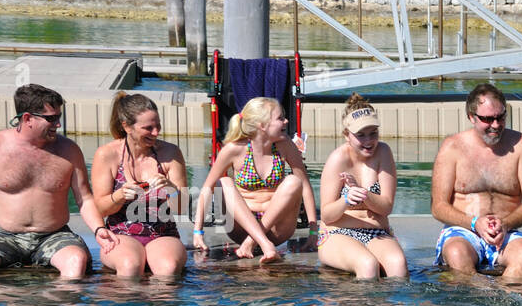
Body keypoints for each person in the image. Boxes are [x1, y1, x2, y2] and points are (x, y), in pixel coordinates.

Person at [0, 83, 115, 278]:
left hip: (54, 236)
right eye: (52, 118)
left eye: (59, 117)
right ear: (27, 118)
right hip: (3, 236)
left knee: (76, 263)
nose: (58, 124)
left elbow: (85, 198)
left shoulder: (69, 151)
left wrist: (99, 229)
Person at [432, 83, 522, 282]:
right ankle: (482, 300)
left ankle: (502, 301)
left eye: (500, 117)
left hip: (506, 230)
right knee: (457, 254)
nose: (496, 125)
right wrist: (474, 223)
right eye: (487, 119)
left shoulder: (520, 145)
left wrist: (506, 224)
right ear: (471, 117)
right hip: (463, 230)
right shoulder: (453, 147)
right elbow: (438, 207)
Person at [192, 96, 316, 263]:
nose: (286, 121)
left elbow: (306, 187)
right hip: (240, 229)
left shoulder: (285, 145)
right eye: (280, 118)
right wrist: (198, 232)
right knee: (224, 183)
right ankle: (263, 243)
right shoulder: (235, 149)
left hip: (277, 228)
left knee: (294, 181)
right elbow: (207, 188)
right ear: (262, 125)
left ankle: (254, 242)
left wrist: (313, 232)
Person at [90, 92, 189, 278]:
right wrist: (119, 195)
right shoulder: (107, 154)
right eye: (148, 128)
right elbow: (100, 209)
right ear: (127, 126)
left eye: (158, 126)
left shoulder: (170, 153)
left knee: (167, 269)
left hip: (162, 233)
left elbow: (182, 209)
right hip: (120, 233)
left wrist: (171, 188)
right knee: (130, 267)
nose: (156, 133)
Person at [317, 94, 405, 279]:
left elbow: (386, 207)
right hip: (338, 233)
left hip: (376, 232)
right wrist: (346, 199)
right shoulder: (337, 159)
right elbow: (326, 215)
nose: (368, 141)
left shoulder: (383, 152)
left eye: (373, 133)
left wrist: (363, 194)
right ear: (347, 135)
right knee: (368, 265)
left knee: (398, 265)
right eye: (361, 135)